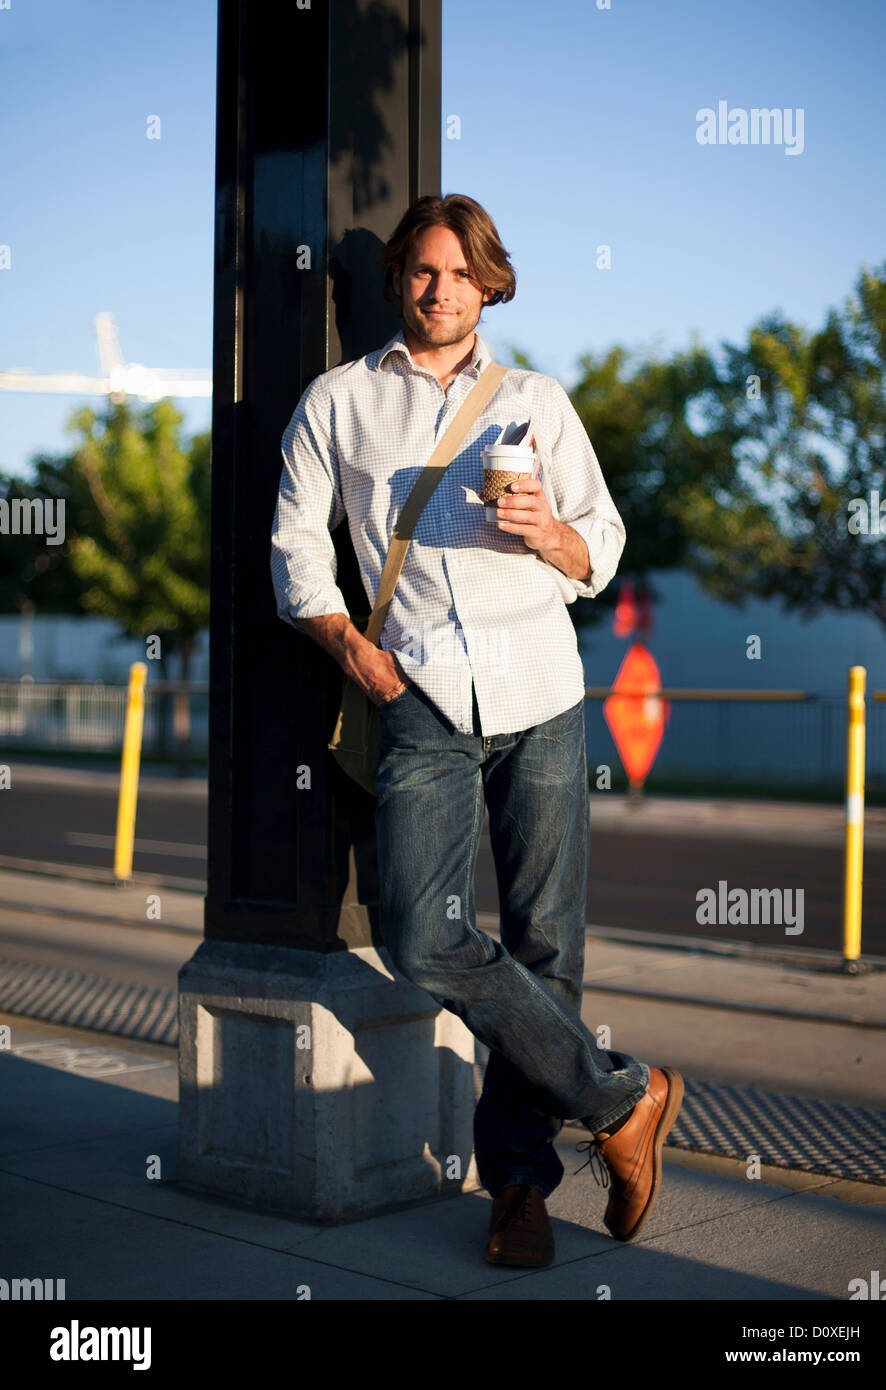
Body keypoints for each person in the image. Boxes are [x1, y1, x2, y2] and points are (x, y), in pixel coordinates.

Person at [270, 192, 684, 1267]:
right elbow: (295, 547)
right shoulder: (338, 401)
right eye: (422, 269)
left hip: (541, 692)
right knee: (420, 936)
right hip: (417, 696)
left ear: (489, 285)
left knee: (549, 945)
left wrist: (550, 532)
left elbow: (602, 545)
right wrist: (350, 648)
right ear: (397, 279)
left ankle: (519, 1188)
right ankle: (622, 1098)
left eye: (461, 272)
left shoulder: (536, 401)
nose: (440, 288)